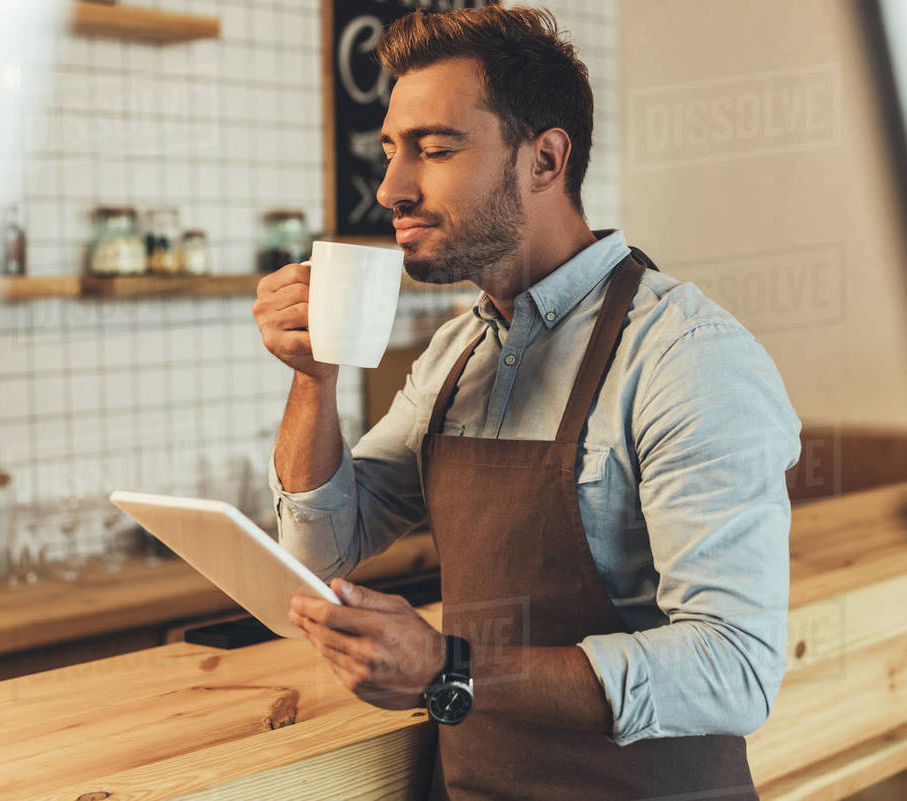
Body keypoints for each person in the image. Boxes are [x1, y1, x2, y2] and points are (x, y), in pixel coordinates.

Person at [252, 6, 801, 800]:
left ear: (544, 159)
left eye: (436, 149)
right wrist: (314, 376)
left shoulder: (686, 356)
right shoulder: (454, 355)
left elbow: (736, 667)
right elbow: (320, 550)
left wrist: (452, 667)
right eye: (392, 152)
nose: (391, 188)